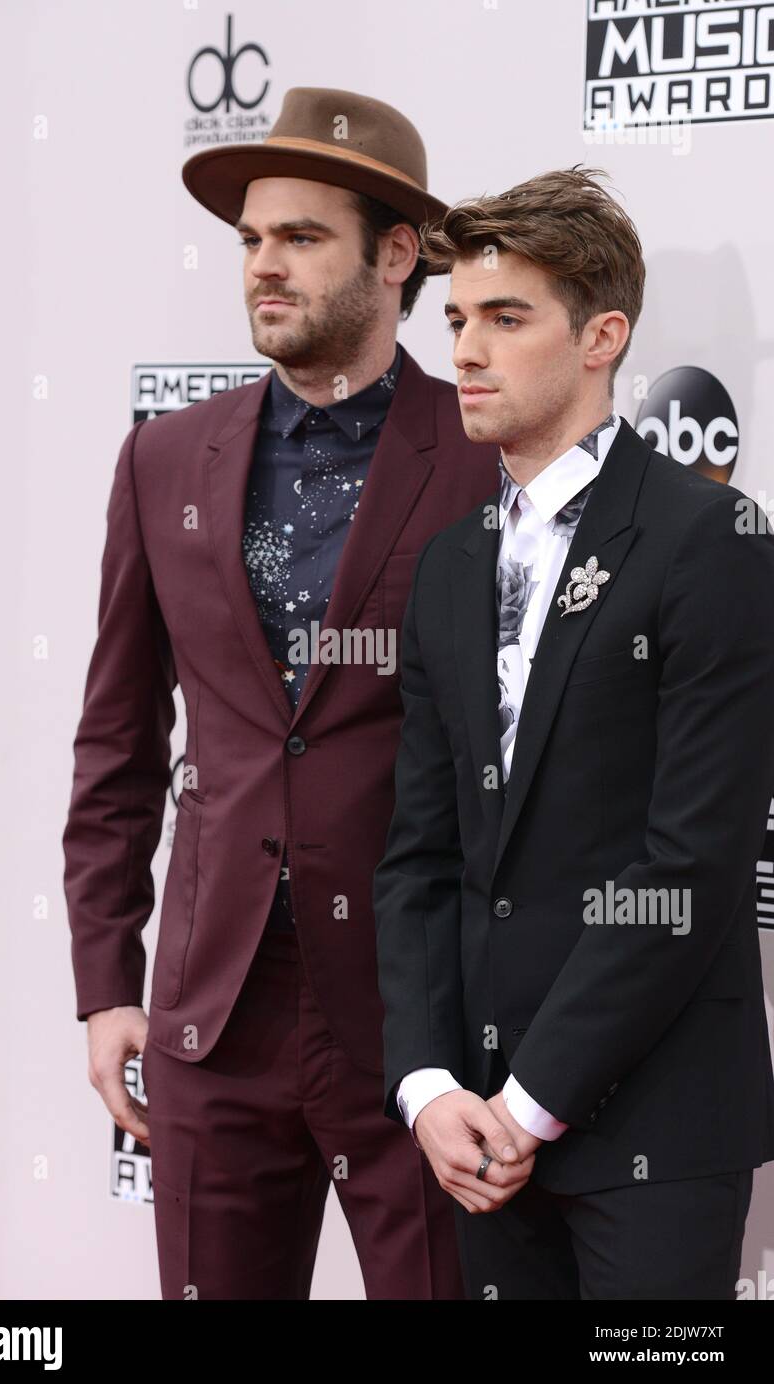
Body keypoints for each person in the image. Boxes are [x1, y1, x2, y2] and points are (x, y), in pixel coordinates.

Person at [62, 86, 499, 1299]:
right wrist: (106, 983)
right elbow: (116, 742)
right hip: (215, 1012)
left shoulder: (478, 454)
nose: (263, 266)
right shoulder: (163, 459)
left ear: (396, 255)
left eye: (301, 238)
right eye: (252, 240)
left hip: (419, 1020)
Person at [374, 166, 774, 1300]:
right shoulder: (450, 567)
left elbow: (691, 865)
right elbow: (416, 855)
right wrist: (425, 1085)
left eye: (506, 318)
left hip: (653, 1130)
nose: (466, 349)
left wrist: (525, 1103)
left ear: (602, 337)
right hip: (476, 1138)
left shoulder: (710, 539)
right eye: (455, 318)